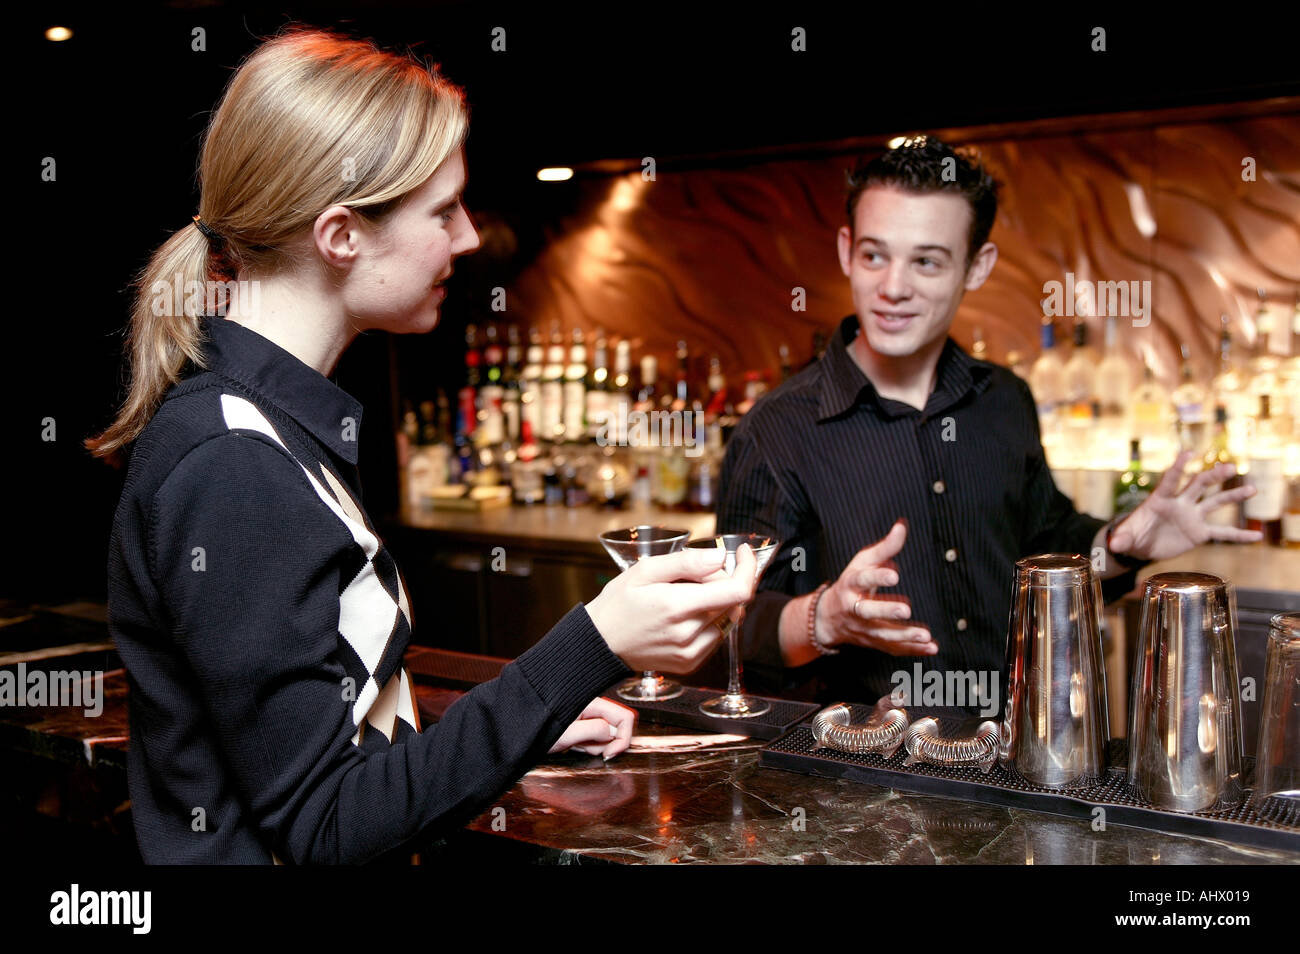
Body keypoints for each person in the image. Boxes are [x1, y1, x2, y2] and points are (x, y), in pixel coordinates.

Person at [87, 27, 755, 865]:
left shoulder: (272, 428)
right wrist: (591, 645)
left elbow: (312, 729)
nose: (470, 238)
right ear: (340, 236)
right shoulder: (235, 464)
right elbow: (325, 827)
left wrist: (512, 723)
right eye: (443, 211)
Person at [716, 136, 1260, 705]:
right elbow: (731, 626)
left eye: (926, 261)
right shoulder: (775, 430)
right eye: (875, 255)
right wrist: (822, 619)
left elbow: (1049, 551)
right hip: (858, 774)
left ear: (978, 267)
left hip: (1011, 754)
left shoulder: (1005, 400)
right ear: (847, 249)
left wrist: (1122, 545)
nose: (893, 287)